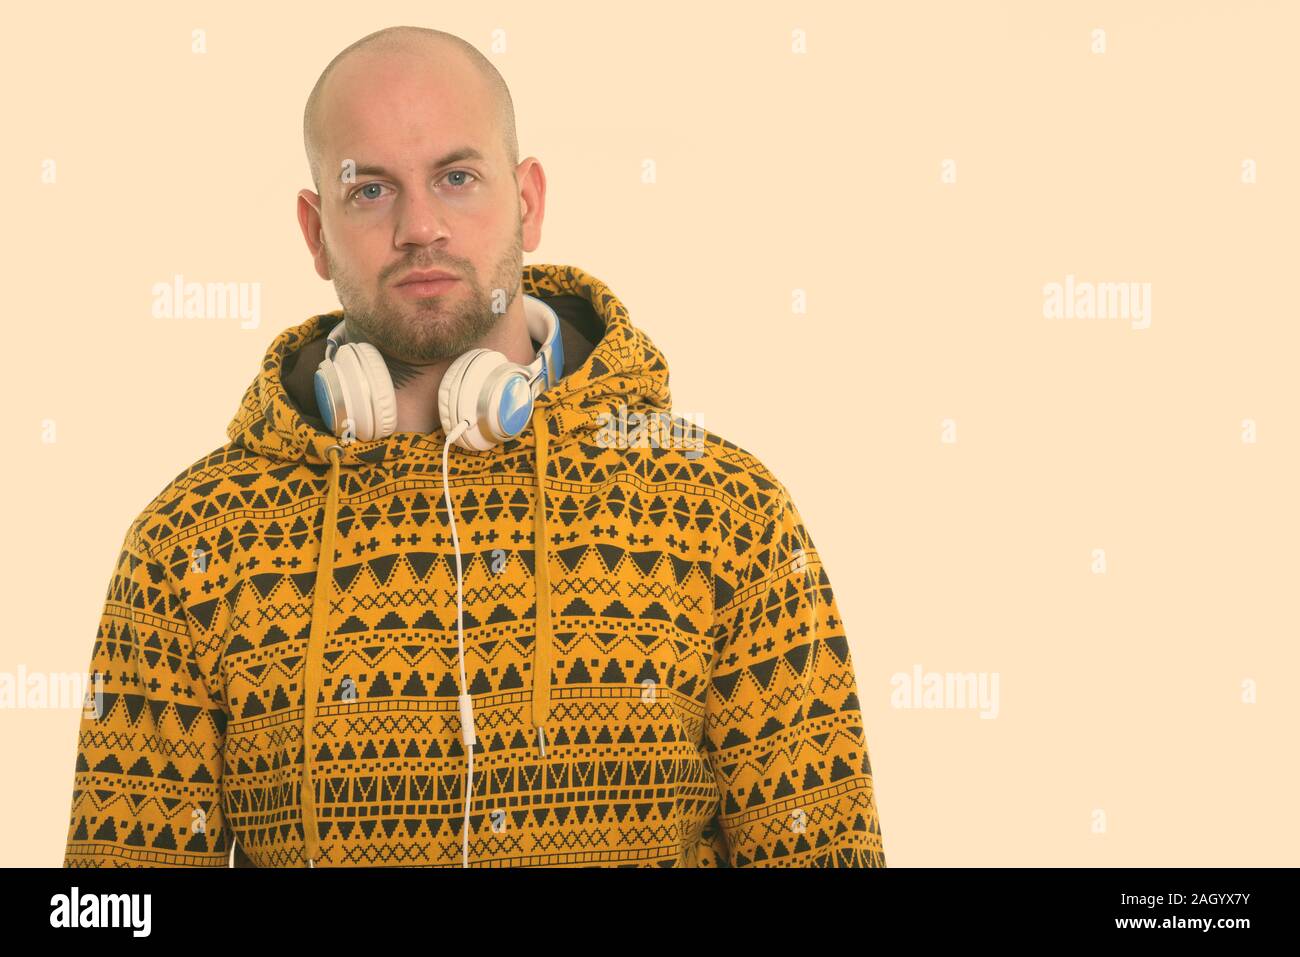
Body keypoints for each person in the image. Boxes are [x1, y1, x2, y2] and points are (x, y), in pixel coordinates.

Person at [61, 25, 885, 868]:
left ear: (527, 199)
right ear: (315, 231)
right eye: (370, 189)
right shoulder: (189, 542)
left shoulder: (727, 512)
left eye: (457, 178)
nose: (421, 226)